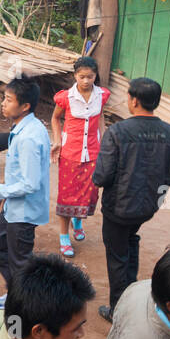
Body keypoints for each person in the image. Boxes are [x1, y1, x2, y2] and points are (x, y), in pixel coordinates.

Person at [92, 76, 170, 321]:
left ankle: (119, 311)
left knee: (117, 255)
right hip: (148, 207)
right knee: (129, 243)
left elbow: (101, 176)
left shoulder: (118, 132)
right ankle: (131, 300)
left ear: (133, 101)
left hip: (118, 207)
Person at [0, 78, 50, 310]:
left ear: (25, 106)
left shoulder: (29, 137)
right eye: (5, 98)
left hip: (24, 210)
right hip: (14, 205)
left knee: (19, 258)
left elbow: (30, 183)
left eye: (9, 100)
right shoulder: (25, 128)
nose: (3, 104)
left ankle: (24, 303)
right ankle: (17, 290)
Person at [50, 56, 110, 257]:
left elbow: (100, 116)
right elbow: (55, 118)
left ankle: (78, 220)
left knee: (90, 193)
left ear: (95, 76)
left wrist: (104, 143)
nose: (86, 81)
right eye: (82, 77)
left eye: (90, 77)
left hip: (93, 152)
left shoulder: (101, 96)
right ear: (75, 75)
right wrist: (58, 140)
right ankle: (64, 236)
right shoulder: (66, 97)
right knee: (67, 196)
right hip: (70, 153)